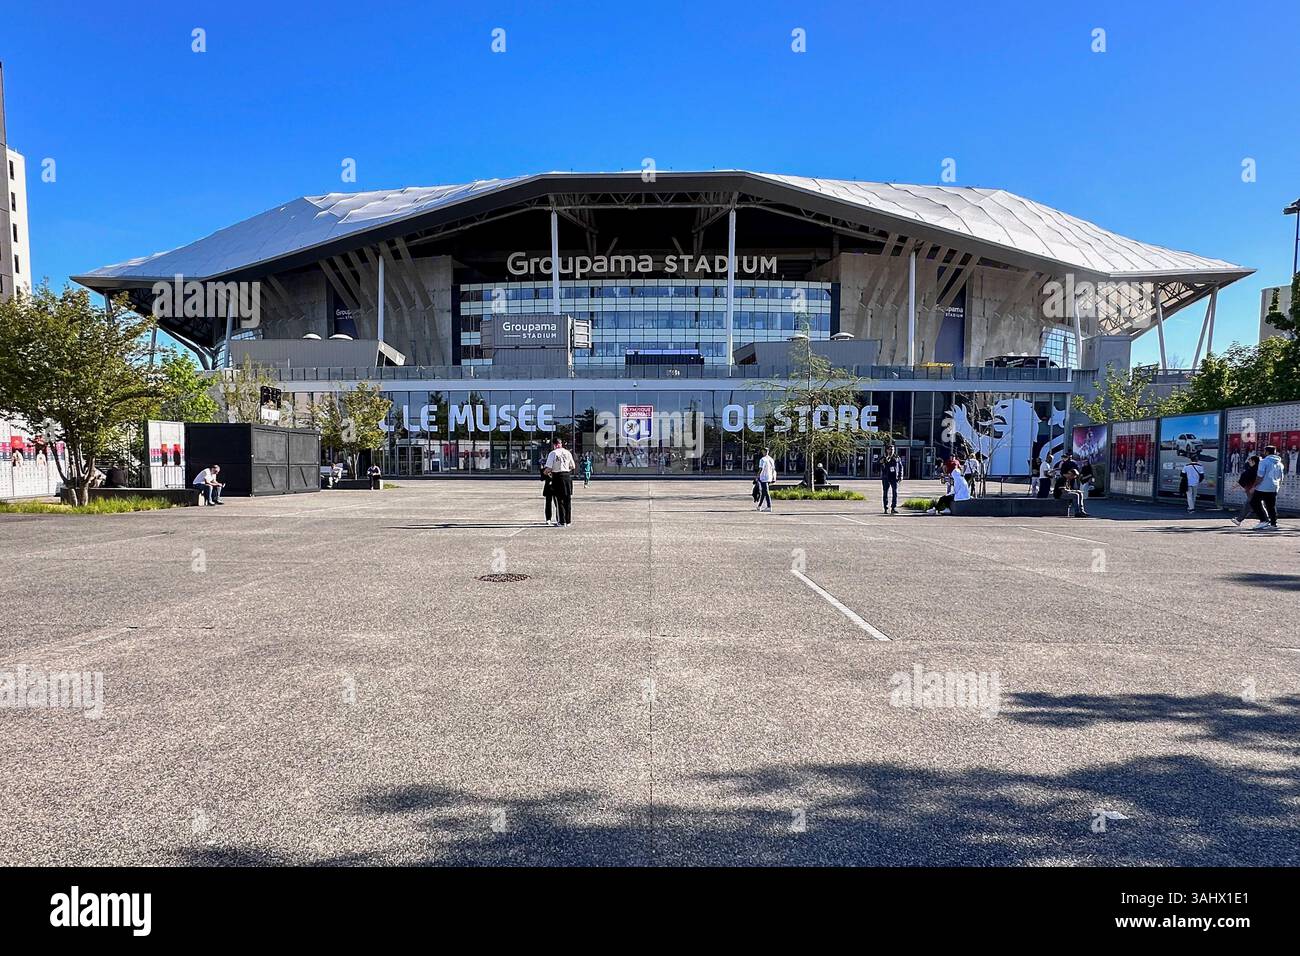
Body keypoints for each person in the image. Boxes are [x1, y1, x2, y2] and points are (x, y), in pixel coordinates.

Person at [1250, 445, 1285, 530]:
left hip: (1262, 487)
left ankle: (1263, 521)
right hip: (1274, 487)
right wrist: (1278, 486)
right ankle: (1273, 524)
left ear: (1267, 452)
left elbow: (1260, 476)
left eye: (1264, 451)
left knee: (1254, 502)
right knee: (1271, 506)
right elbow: (1281, 477)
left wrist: (1253, 486)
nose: (1263, 452)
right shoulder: (1280, 463)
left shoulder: (1264, 462)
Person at [544, 437, 576, 526]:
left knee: (559, 500)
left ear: (554, 445)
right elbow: (573, 466)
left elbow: (549, 468)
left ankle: (562, 521)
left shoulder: (553, 453)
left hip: (557, 476)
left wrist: (545, 472)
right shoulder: (567, 452)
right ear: (561, 444)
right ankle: (568, 521)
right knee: (567, 499)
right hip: (567, 476)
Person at [1230, 452, 1261, 527]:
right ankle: (1239, 520)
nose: (1249, 462)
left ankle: (1265, 520)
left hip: (1251, 490)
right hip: (1260, 489)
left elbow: (1242, 480)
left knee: (1250, 505)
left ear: (1253, 461)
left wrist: (1234, 486)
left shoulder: (1250, 470)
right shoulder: (1260, 470)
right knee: (1253, 505)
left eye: (1250, 461)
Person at [880, 444, 901, 514]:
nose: (891, 451)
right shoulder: (884, 457)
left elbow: (900, 467)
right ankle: (885, 508)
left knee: (895, 493)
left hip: (894, 477)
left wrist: (900, 476)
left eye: (892, 449)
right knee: (885, 493)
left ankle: (893, 508)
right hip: (886, 477)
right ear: (887, 450)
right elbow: (879, 463)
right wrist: (885, 459)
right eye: (890, 449)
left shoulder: (897, 457)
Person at [756, 448, 776, 512]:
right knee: (764, 492)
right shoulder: (771, 459)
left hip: (764, 477)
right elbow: (773, 469)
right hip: (769, 477)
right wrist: (774, 477)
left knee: (766, 492)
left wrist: (757, 476)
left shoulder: (762, 460)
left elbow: (761, 469)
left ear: (764, 452)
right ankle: (759, 506)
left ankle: (769, 506)